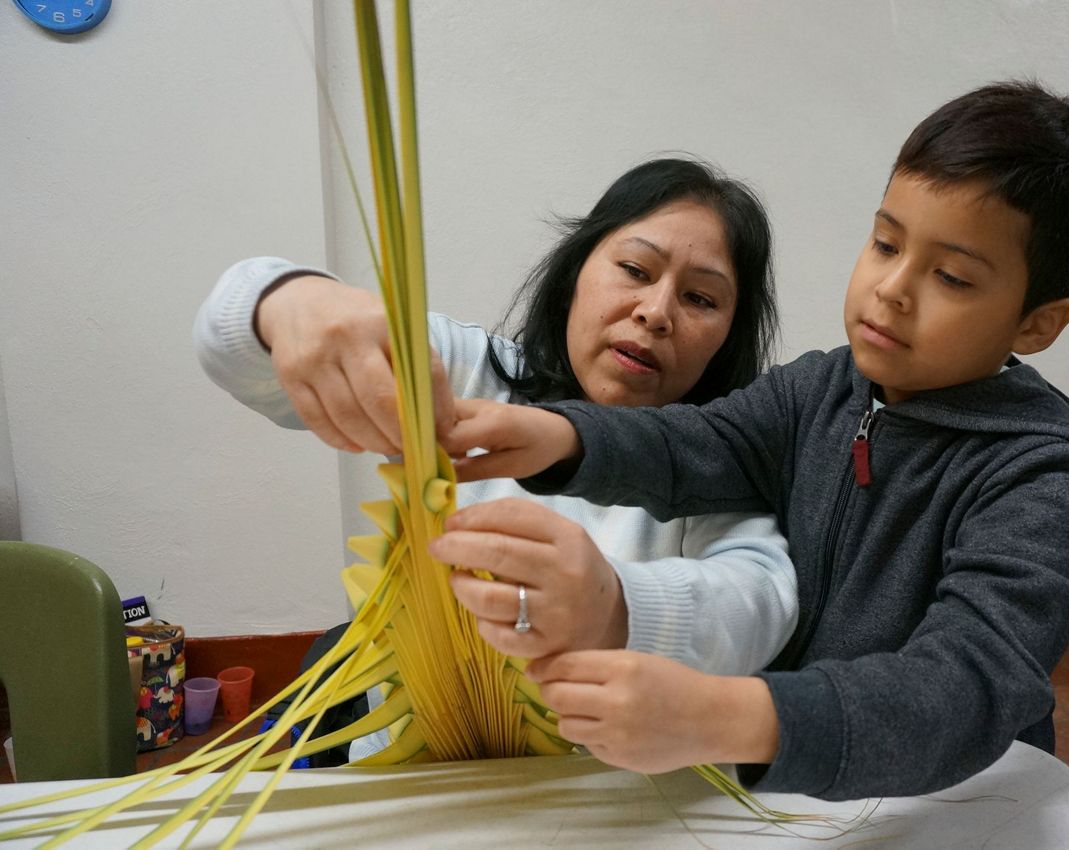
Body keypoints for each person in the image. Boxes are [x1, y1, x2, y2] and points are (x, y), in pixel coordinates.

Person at [427, 81, 1069, 798]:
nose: (892, 288)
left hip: (949, 807)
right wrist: (559, 434)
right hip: (795, 788)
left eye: (953, 277)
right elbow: (701, 443)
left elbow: (965, 686)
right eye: (885, 242)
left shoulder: (1041, 480)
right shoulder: (822, 388)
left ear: (1038, 324)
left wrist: (732, 716)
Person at [194, 157, 799, 757]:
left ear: (728, 336)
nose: (656, 312)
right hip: (401, 795)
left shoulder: (716, 466)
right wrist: (289, 303)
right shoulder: (463, 374)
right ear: (576, 272)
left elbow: (759, 604)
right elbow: (231, 340)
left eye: (700, 298)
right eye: (635, 269)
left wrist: (613, 603)